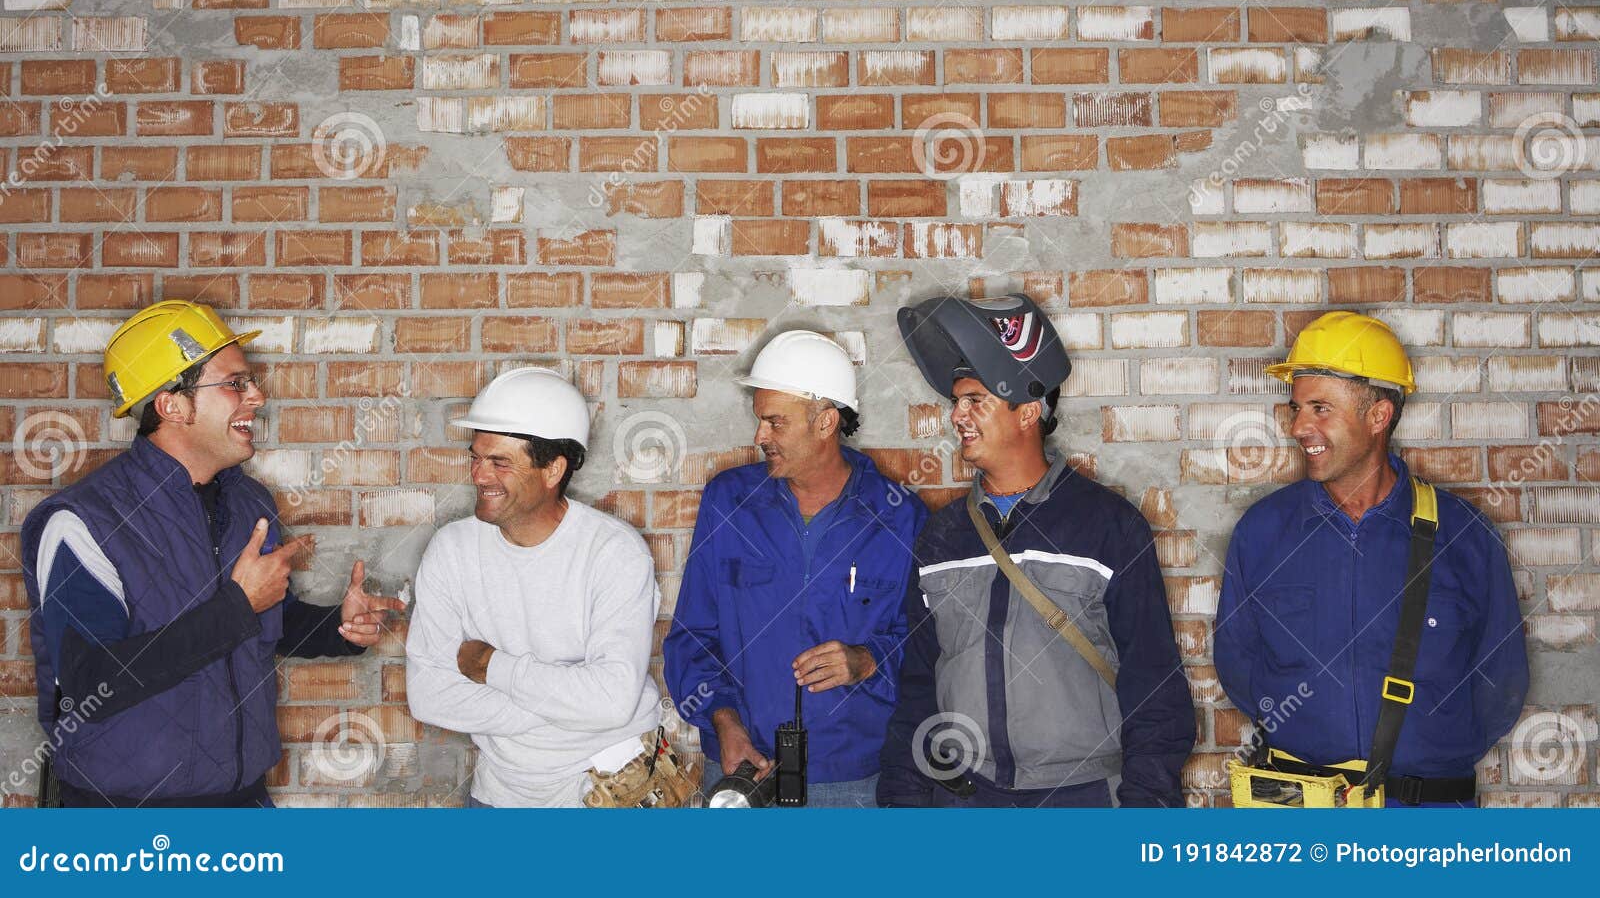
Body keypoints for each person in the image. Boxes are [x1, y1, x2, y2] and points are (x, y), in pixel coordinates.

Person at [19, 300, 401, 808]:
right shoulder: (80, 522)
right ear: (172, 404)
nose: (257, 397)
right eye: (235, 384)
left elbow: (267, 618)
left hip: (243, 802)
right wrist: (237, 607)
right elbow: (88, 685)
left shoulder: (248, 502)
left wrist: (338, 627)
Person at [879, 294, 1195, 807]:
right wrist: (902, 798)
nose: (957, 416)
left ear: (1027, 411)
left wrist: (1146, 808)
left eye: (975, 400)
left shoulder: (1107, 526)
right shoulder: (942, 536)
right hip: (964, 802)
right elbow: (918, 683)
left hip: (1082, 801)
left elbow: (1154, 684)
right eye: (955, 401)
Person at [1215, 311, 1528, 807]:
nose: (1299, 427)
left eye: (1321, 409)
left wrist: (1425, 758)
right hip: (1300, 823)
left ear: (1378, 416)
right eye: (1296, 408)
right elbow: (1239, 664)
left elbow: (1501, 682)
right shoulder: (1263, 533)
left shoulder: (1464, 534)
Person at [664, 330, 926, 806]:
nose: (759, 436)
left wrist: (869, 660)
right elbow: (692, 634)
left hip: (852, 783)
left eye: (775, 423)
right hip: (743, 772)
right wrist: (724, 721)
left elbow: (928, 643)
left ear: (825, 422)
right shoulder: (729, 502)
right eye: (760, 421)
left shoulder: (898, 515)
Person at [406, 367, 663, 807]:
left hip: (612, 794)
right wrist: (572, 701)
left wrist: (493, 669)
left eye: (500, 462)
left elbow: (613, 702)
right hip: (501, 796)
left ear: (553, 470)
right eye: (476, 457)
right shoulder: (452, 548)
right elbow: (428, 696)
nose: (479, 475)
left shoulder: (614, 552)